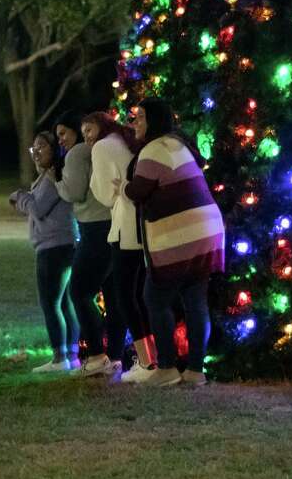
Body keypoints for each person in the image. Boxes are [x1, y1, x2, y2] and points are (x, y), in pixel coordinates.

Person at [121, 99, 225, 387]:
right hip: (207, 232)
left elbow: (138, 190)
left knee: (153, 297)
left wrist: (122, 187)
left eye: (140, 117)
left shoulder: (153, 150)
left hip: (179, 236)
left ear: (154, 121)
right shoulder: (179, 145)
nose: (135, 123)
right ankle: (195, 370)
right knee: (195, 299)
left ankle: (166, 367)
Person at [83, 111, 159, 381]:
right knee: (140, 294)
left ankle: (147, 361)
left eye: (89, 131)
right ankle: (154, 358)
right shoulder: (126, 141)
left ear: (101, 127)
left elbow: (104, 195)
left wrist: (97, 171)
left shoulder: (103, 147)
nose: (87, 138)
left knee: (126, 296)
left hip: (125, 228)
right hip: (144, 226)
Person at [51, 111, 118, 380]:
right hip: (114, 226)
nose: (61, 141)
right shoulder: (106, 147)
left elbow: (75, 192)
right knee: (113, 297)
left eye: (63, 134)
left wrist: (57, 182)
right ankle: (114, 356)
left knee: (79, 291)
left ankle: (96, 356)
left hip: (93, 228)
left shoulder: (78, 153)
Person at [10, 131, 80, 373]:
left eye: (42, 147)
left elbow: (38, 209)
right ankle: (71, 354)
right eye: (34, 149)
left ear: (55, 151)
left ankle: (61, 358)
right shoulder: (49, 178)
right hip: (62, 245)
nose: (37, 152)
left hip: (53, 248)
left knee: (51, 303)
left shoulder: (51, 179)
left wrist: (20, 197)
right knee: (64, 302)